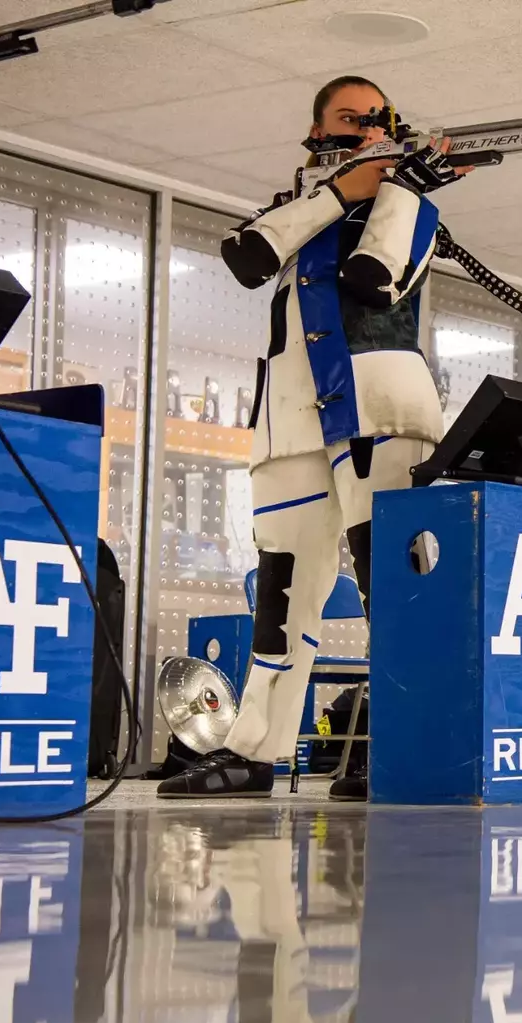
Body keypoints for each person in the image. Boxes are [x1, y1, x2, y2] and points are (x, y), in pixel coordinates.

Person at [160, 75, 469, 800]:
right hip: (293, 420)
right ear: (316, 132)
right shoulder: (294, 210)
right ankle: (254, 749)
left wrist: (397, 187)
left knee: (392, 586)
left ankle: (400, 739)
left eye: (377, 120)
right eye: (349, 118)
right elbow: (247, 258)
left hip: (379, 410)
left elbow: (371, 278)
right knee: (282, 596)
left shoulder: (412, 206)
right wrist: (339, 192)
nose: (365, 128)